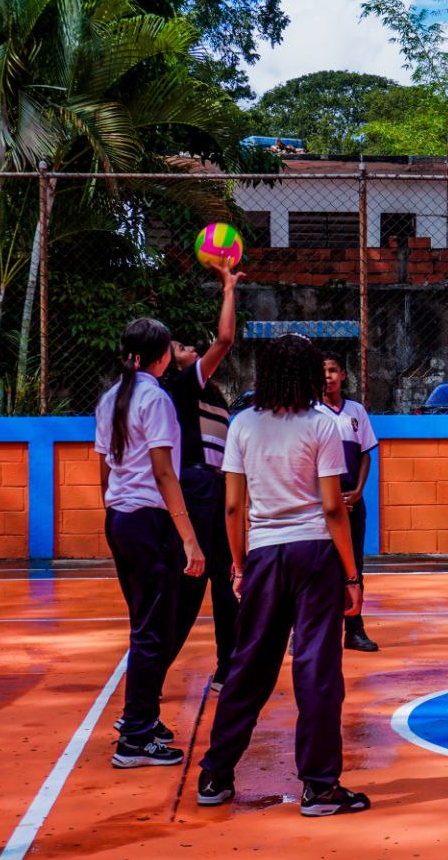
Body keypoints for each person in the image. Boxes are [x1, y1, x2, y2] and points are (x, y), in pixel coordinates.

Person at [196, 335, 370, 817]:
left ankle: (215, 774)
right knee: (317, 669)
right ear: (312, 375)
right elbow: (334, 507)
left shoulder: (243, 424)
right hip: (316, 553)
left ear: (264, 374)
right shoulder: (323, 424)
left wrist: (239, 563)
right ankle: (318, 787)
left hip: (266, 552)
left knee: (249, 663)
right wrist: (351, 577)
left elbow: (234, 504)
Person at [95, 318, 205, 768]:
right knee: (151, 630)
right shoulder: (155, 398)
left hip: (121, 518)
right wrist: (189, 538)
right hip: (147, 520)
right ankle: (136, 737)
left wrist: (113, 510)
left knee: (145, 623)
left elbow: (103, 468)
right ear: (161, 357)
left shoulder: (110, 398)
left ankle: (141, 719)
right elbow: (163, 472)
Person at [165, 263, 244, 691]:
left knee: (226, 581)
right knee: (188, 589)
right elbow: (226, 339)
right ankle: (152, 670)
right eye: (178, 344)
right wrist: (228, 289)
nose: (188, 346)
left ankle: (227, 669)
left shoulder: (214, 397)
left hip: (216, 486)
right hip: (196, 487)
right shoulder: (181, 388)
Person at [316, 351, 380, 652]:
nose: (327, 376)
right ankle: (304, 632)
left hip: (351, 499)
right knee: (315, 567)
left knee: (353, 565)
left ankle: (354, 630)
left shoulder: (355, 411)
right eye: (323, 371)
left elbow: (366, 453)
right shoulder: (308, 412)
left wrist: (357, 491)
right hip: (319, 502)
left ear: (342, 375)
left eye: (332, 370)